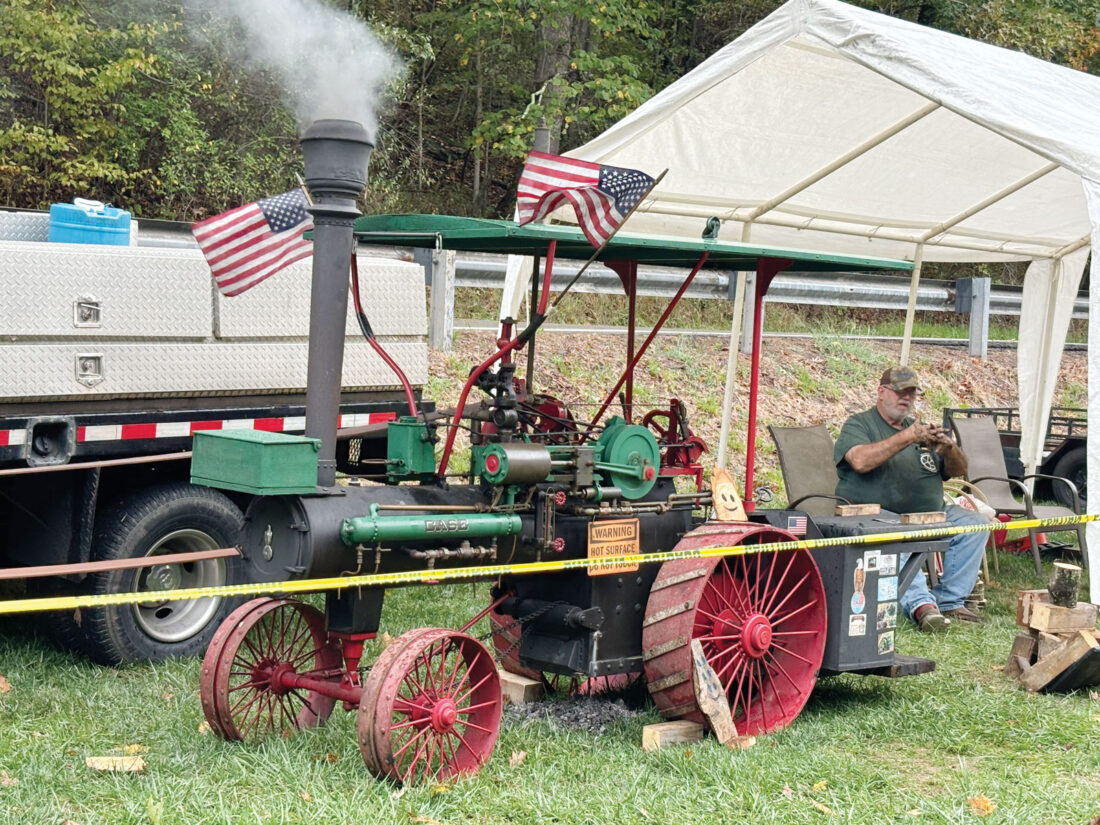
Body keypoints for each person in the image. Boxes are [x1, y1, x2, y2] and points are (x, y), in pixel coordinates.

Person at [834, 366, 988, 632]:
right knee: (899, 537)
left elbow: (957, 471)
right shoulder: (861, 424)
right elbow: (859, 460)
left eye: (912, 394)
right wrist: (908, 437)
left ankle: (950, 600)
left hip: (932, 513)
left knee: (975, 524)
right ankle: (923, 608)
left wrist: (949, 448)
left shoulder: (919, 429)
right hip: (878, 514)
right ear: (881, 392)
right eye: (899, 392)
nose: (906, 399)